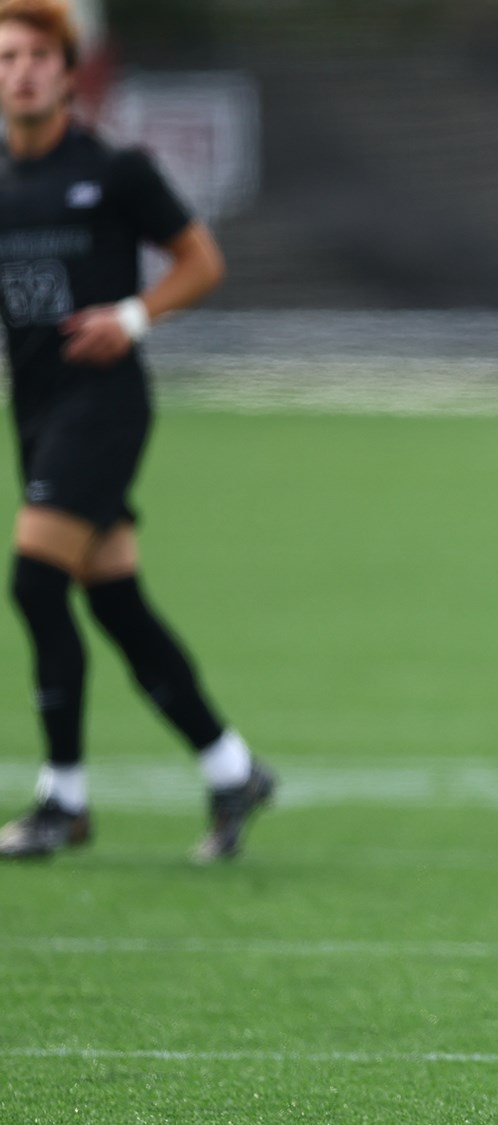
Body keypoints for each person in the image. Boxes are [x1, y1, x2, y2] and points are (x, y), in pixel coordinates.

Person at [0, 0, 272, 862]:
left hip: (106, 403)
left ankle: (63, 799)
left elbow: (202, 261)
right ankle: (231, 766)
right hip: (37, 408)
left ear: (69, 72)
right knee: (113, 600)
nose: (22, 71)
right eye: (6, 58)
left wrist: (132, 315)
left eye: (38, 56)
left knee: (36, 582)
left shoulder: (115, 170)